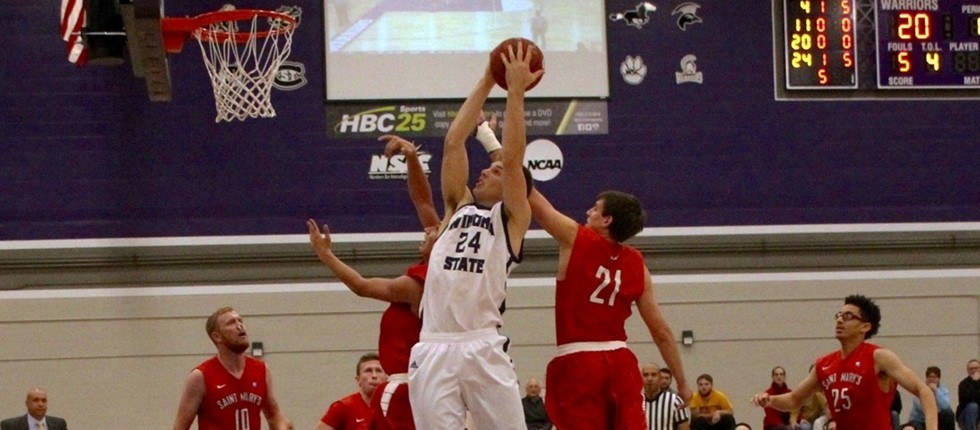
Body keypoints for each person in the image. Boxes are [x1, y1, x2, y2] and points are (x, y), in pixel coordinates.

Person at [407, 41, 542, 430]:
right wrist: (487, 78)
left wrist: (515, 92)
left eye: (494, 172)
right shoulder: (457, 207)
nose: (485, 171)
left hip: (482, 345)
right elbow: (453, 141)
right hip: (433, 345)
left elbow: (512, 160)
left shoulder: (511, 219)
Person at [308, 134, 445, 430]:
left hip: (405, 386)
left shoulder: (419, 284)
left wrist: (326, 256)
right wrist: (412, 158)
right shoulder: (439, 269)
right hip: (422, 385)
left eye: (434, 233)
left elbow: (361, 286)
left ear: (444, 244)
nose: (428, 231)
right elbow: (423, 200)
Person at [528, 185, 691, 429]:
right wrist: (682, 382)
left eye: (595, 209)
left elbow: (537, 203)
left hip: (579, 361)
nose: (588, 212)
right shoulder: (637, 263)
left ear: (607, 220)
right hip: (621, 361)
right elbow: (661, 333)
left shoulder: (577, 238)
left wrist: (506, 163)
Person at [751, 294, 939, 430]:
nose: (840, 320)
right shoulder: (824, 364)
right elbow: (793, 400)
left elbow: (923, 391)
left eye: (848, 316)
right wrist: (770, 400)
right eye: (839, 315)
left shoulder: (879, 357)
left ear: (865, 327)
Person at [172, 306, 290, 430]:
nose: (240, 326)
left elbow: (274, 416)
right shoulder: (200, 376)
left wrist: (282, 427)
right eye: (231, 323)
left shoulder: (261, 370)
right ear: (217, 337)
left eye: (240, 321)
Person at [316, 353, 387, 430]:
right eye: (368, 371)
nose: (374, 376)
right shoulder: (342, 407)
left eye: (378, 371)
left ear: (386, 379)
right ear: (358, 380)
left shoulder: (392, 409)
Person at [642, 362, 691, 430]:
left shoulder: (675, 400)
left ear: (660, 379)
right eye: (645, 375)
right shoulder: (635, 403)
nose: (649, 379)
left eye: (654, 375)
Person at [1, 388, 68, 430]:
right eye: (36, 400)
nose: (40, 404)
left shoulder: (59, 424)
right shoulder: (10, 426)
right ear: (27, 403)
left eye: (44, 401)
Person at [790, 365, 829, 430]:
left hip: (822, 419)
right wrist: (793, 420)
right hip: (807, 420)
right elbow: (795, 409)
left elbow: (828, 406)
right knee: (805, 427)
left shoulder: (827, 387)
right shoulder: (804, 389)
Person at [958, 359, 980, 430]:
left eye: (976, 368)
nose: (973, 371)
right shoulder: (963, 384)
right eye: (971, 369)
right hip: (965, 415)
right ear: (967, 371)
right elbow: (970, 399)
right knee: (973, 406)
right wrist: (975, 382)